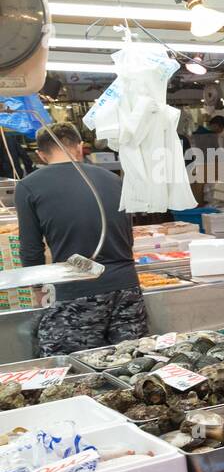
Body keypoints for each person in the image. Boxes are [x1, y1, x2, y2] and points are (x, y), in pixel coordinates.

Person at [15, 123, 145, 356]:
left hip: (75, 291)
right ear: (80, 147)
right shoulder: (113, 179)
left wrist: (37, 289)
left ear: (41, 154)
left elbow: (31, 248)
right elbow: (128, 236)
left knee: (71, 369)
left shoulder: (28, 186)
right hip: (127, 287)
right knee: (130, 364)